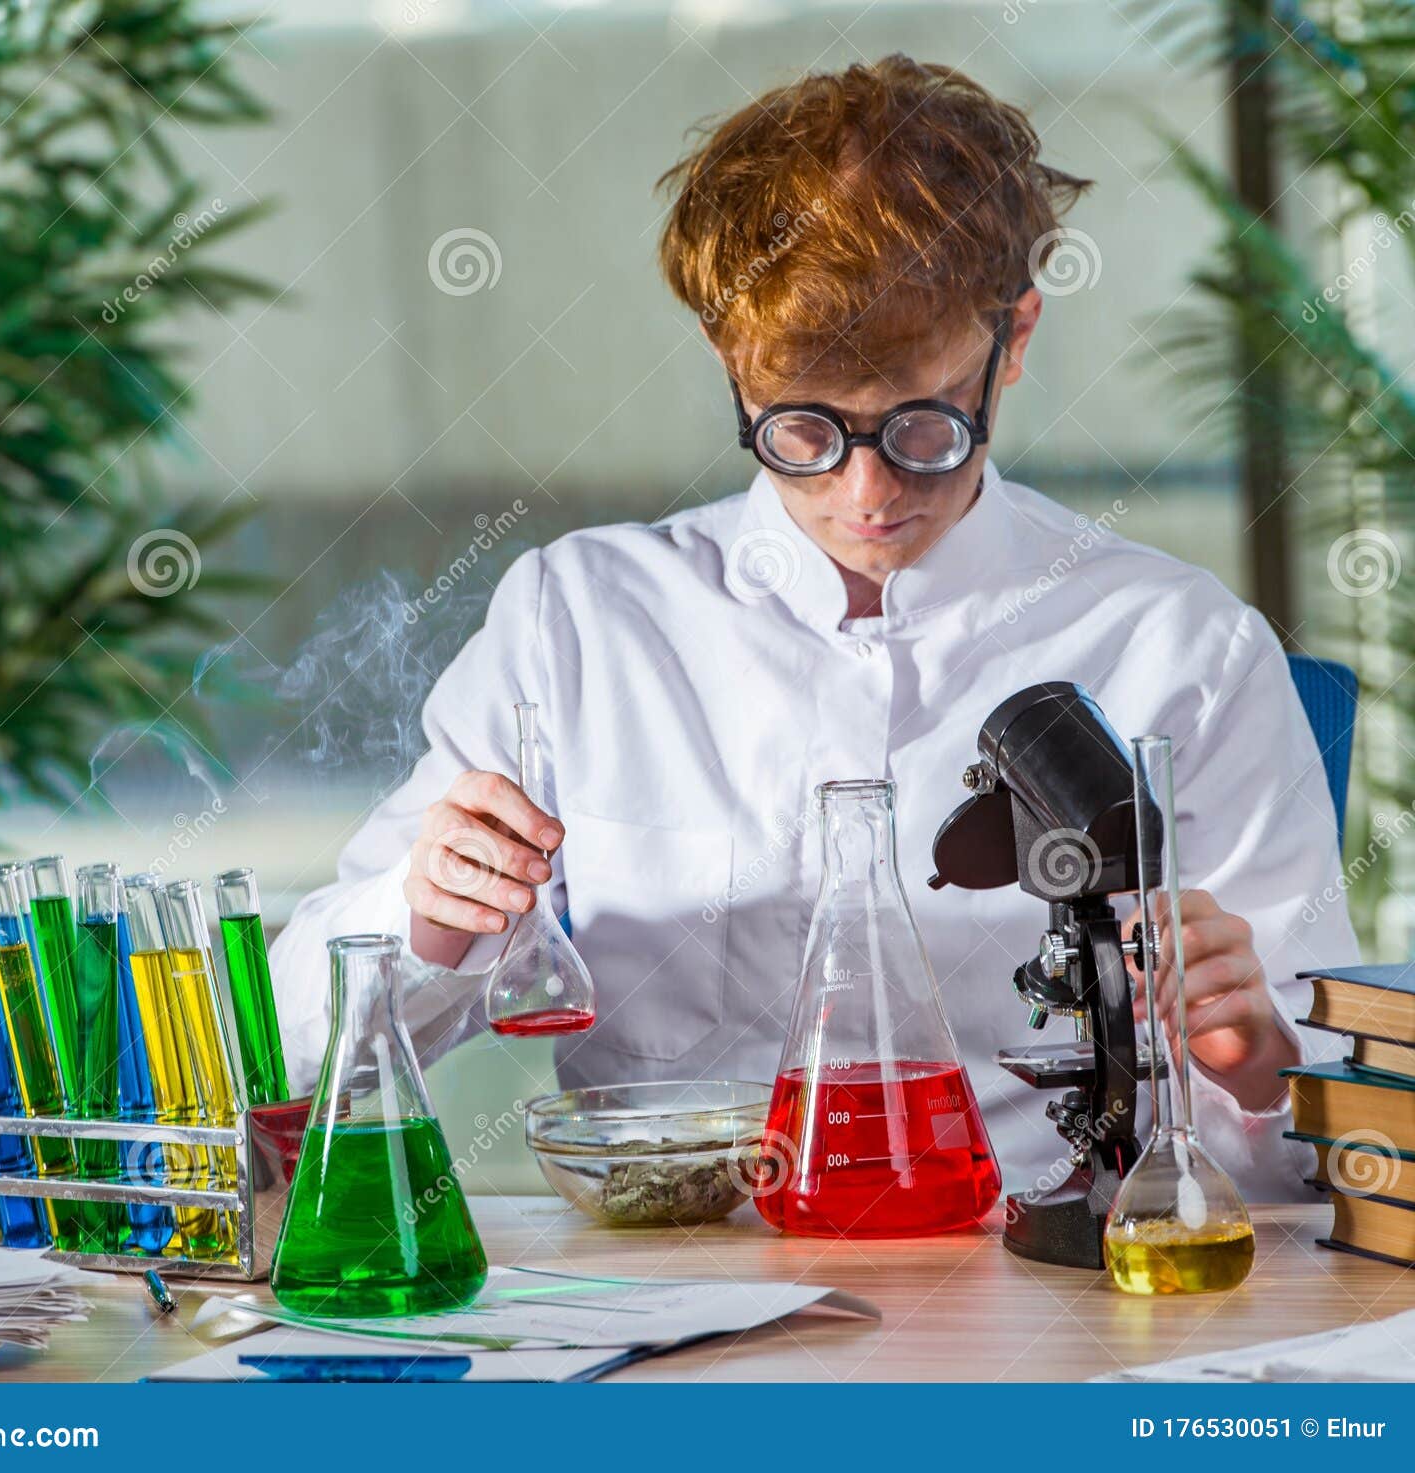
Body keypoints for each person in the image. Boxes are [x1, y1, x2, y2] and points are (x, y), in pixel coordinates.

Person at [272, 54, 1357, 1201]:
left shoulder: (1175, 647)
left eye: (925, 428)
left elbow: (1341, 1161)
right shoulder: (579, 623)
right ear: (729, 362)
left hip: (1028, 1287)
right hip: (671, 1284)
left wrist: (1257, 1069)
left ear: (1016, 337)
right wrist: (426, 913)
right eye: (801, 432)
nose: (866, 494)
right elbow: (296, 1061)